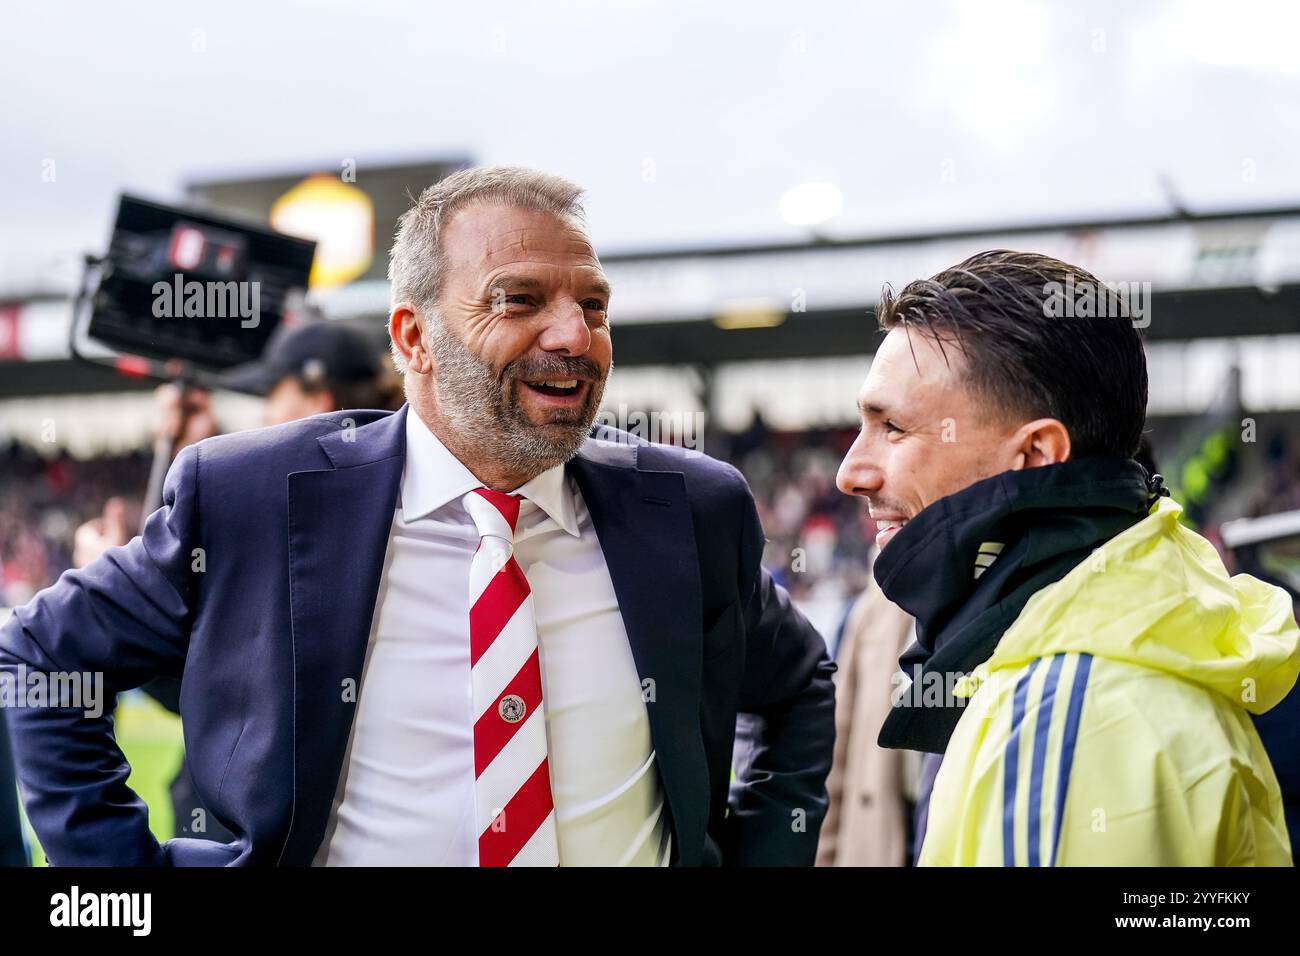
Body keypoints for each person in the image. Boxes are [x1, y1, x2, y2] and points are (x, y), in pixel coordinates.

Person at [0, 165, 835, 866]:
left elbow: (797, 689)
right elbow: (38, 658)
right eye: (520, 300)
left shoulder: (692, 509)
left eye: (595, 305)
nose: (576, 334)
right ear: (413, 339)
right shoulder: (249, 497)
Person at [835, 250, 1299, 866]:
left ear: (1033, 457)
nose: (850, 473)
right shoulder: (1099, 653)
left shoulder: (1065, 713)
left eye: (892, 427)